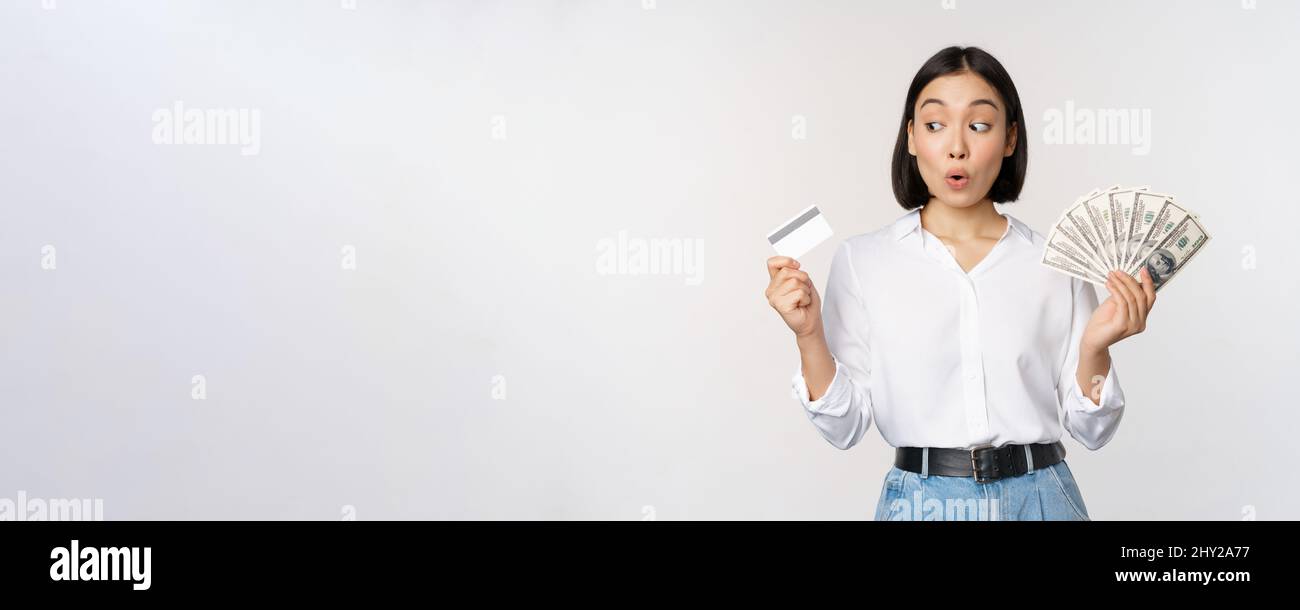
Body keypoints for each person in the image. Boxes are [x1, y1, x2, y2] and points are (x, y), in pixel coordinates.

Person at [763, 46, 1157, 521]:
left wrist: (1095, 348)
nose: (957, 147)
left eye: (979, 125)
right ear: (910, 138)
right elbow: (843, 427)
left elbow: (1093, 431)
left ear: (1010, 138)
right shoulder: (864, 259)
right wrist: (808, 335)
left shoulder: (1054, 262)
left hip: (1043, 501)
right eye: (934, 125)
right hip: (921, 505)